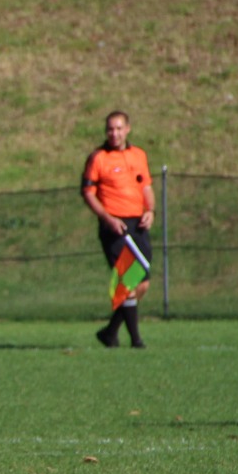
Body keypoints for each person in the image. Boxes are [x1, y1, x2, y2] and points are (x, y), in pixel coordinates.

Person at [81, 109, 154, 348]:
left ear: (127, 129)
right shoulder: (99, 158)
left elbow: (145, 187)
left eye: (119, 128)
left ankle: (110, 331)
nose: (115, 133)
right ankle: (136, 341)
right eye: (110, 129)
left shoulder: (138, 155)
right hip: (115, 228)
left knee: (142, 282)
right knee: (128, 281)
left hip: (138, 224)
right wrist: (107, 218)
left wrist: (150, 210)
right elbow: (88, 193)